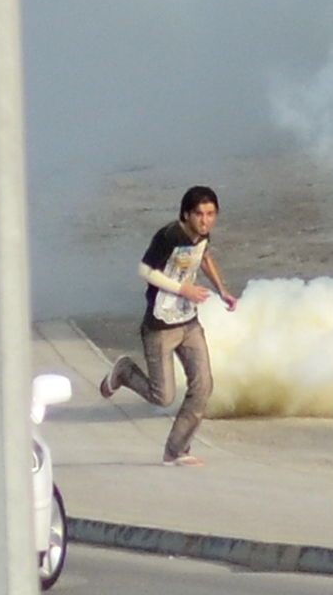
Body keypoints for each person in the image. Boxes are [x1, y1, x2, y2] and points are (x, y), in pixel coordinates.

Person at [99, 186, 237, 467]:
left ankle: (176, 450)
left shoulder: (202, 235)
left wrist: (222, 290)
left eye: (211, 214)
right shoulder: (169, 236)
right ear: (186, 215)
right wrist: (183, 289)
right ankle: (125, 372)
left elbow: (204, 256)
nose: (205, 221)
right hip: (160, 326)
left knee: (203, 386)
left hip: (188, 321)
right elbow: (145, 271)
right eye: (199, 214)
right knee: (162, 397)